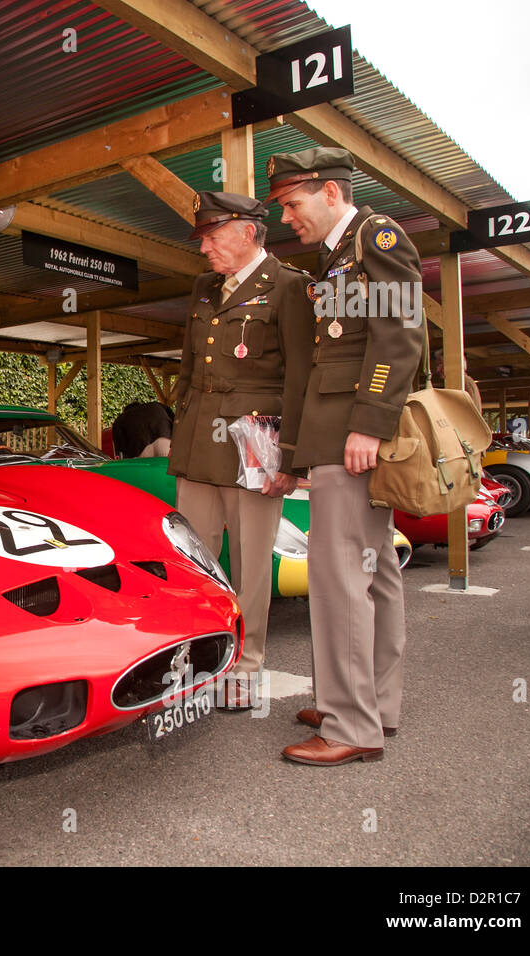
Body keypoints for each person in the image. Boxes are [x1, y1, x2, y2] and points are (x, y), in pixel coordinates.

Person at [267, 147, 423, 765]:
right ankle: (373, 705)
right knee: (376, 572)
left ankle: (350, 725)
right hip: (339, 434)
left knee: (339, 581)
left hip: (352, 437)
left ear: (331, 192)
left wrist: (370, 425)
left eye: (293, 204)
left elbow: (400, 331)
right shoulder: (338, 255)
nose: (287, 218)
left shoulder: (374, 238)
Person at [167, 191, 315, 709]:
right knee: (195, 561)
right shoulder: (204, 287)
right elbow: (188, 371)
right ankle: (196, 657)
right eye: (202, 237)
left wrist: (290, 457)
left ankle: (245, 666)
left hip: (256, 446)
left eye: (211, 235)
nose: (204, 247)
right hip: (198, 443)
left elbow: (301, 378)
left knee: (252, 564)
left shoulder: (290, 287)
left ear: (248, 232)